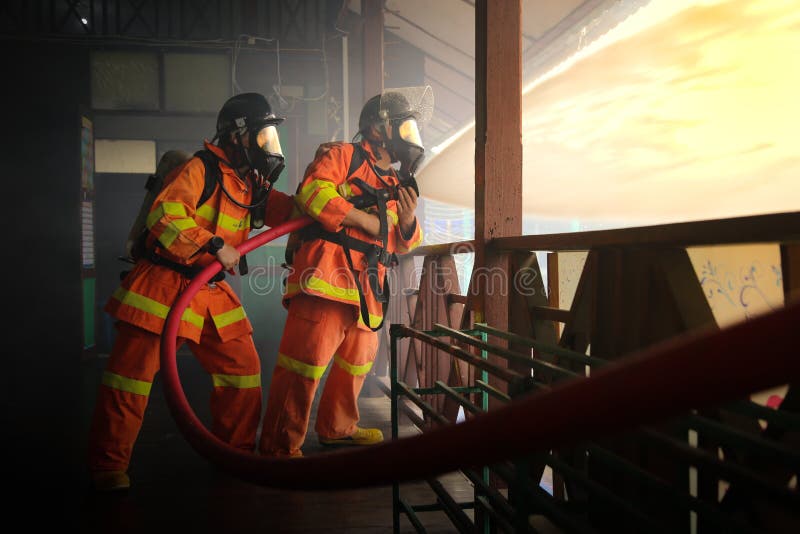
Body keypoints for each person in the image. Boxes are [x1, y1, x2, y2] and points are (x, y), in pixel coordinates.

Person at [87, 92, 297, 490]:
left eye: (271, 137)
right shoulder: (200, 169)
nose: (269, 146)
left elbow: (287, 211)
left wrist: (333, 208)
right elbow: (165, 215)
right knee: (130, 379)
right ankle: (107, 466)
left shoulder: (248, 183)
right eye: (262, 136)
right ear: (236, 136)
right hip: (163, 285)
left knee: (242, 370)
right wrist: (215, 245)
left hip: (210, 291)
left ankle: (235, 453)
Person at [259, 87, 431, 457]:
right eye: (403, 127)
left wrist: (407, 220)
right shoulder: (342, 155)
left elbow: (404, 243)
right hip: (326, 280)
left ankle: (338, 428)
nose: (410, 137)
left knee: (356, 365)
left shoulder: (396, 184)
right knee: (303, 366)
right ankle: (279, 447)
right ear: (377, 129)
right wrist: (366, 221)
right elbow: (312, 194)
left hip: (367, 291)